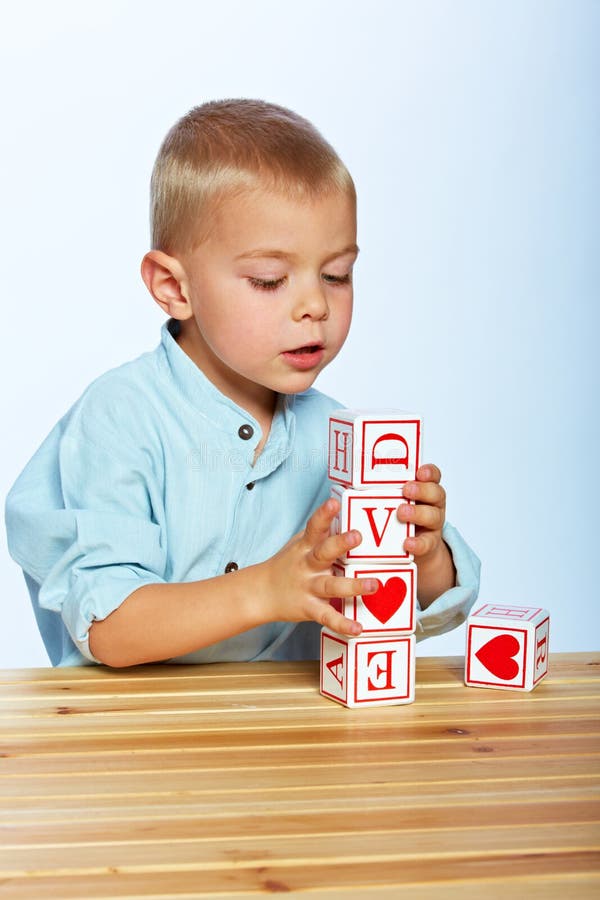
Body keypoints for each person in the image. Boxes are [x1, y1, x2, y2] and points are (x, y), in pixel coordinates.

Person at [5, 99, 480, 668]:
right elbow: (108, 626)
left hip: (281, 721)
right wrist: (264, 589)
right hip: (137, 719)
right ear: (174, 288)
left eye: (336, 274)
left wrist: (423, 555)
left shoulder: (341, 436)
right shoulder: (119, 417)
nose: (315, 304)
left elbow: (420, 604)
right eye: (270, 280)